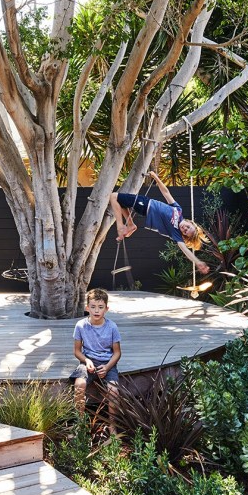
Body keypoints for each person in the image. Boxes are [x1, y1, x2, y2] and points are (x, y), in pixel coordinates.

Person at [109, 171, 210, 275]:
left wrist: (197, 262)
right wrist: (156, 178)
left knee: (114, 196)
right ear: (191, 223)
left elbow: (185, 250)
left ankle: (120, 227)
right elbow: (166, 193)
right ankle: (130, 225)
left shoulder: (175, 233)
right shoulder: (178, 210)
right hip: (147, 202)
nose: (184, 228)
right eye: (188, 227)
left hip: (145, 206)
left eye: (185, 232)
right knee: (121, 202)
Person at [71, 288, 121, 433]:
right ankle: (80, 423)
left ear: (106, 309)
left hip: (108, 363)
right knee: (79, 384)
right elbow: (77, 351)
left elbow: (117, 353)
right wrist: (86, 361)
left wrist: (107, 367)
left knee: (114, 390)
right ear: (87, 308)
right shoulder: (81, 325)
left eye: (100, 307)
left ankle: (112, 426)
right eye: (93, 307)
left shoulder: (112, 327)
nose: (96, 310)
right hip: (88, 361)